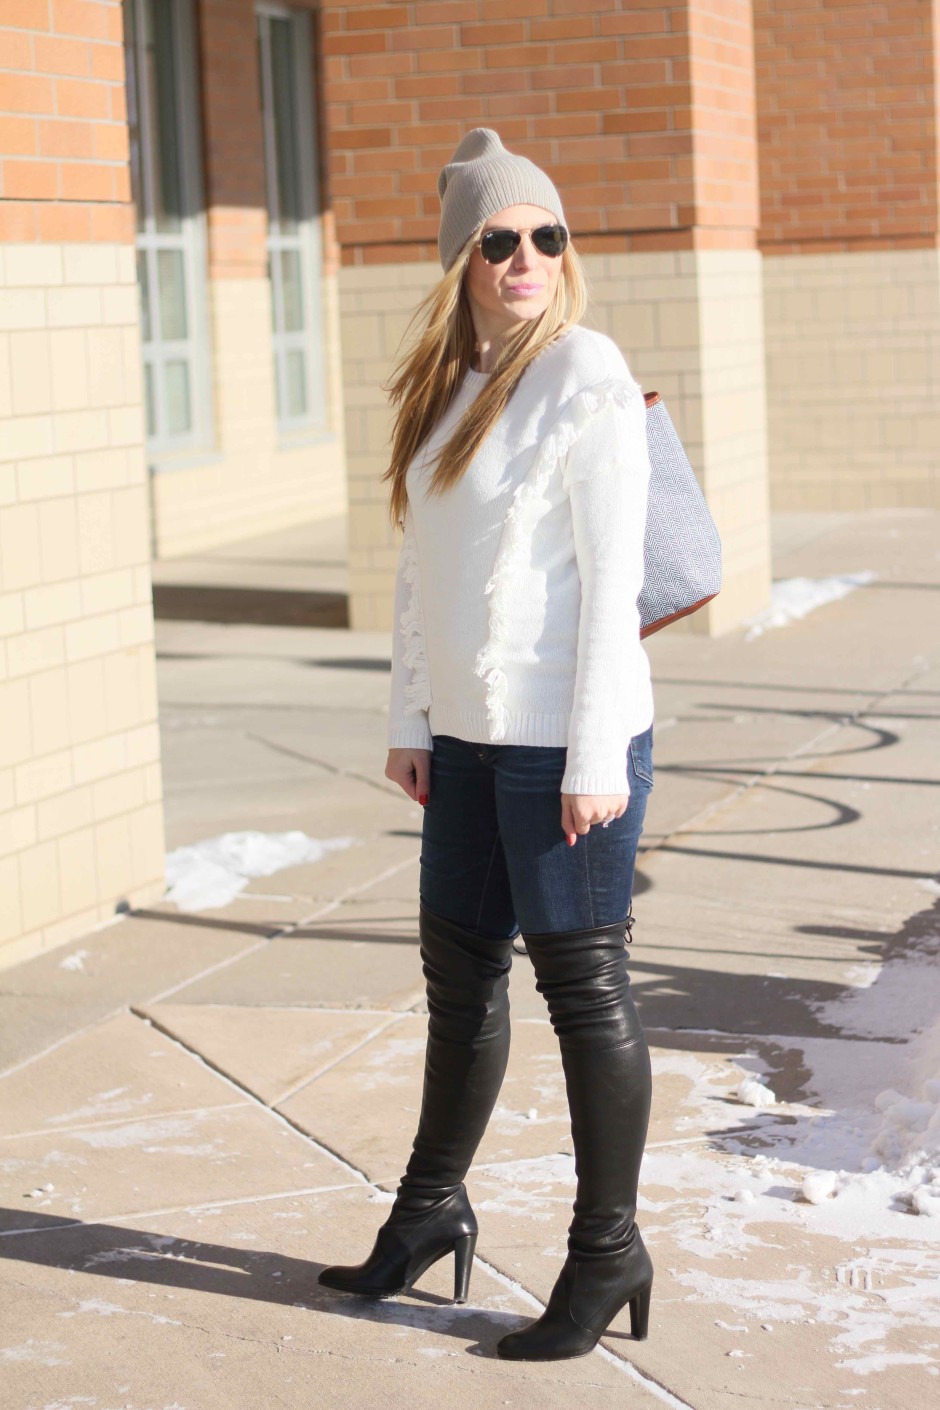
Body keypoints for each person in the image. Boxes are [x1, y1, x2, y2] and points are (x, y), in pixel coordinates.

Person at [318, 128, 655, 1363]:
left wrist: (594, 757)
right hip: (463, 743)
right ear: (460, 257)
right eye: (499, 239)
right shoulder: (448, 387)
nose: (526, 258)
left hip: (563, 744)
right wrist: (410, 722)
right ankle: (426, 1212)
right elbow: (422, 581)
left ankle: (606, 1253)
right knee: (458, 985)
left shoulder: (585, 371)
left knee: (584, 991)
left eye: (545, 237)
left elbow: (612, 583)